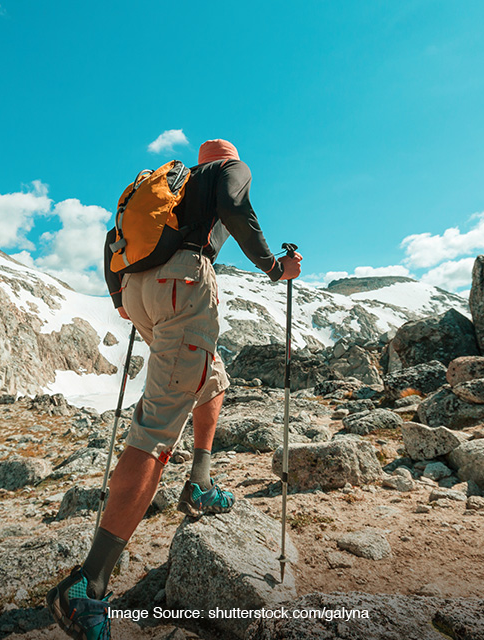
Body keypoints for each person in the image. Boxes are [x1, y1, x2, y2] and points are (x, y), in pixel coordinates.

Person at [47, 139, 302, 640]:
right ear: (224, 157)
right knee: (157, 429)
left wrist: (121, 294)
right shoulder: (227, 171)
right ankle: (86, 586)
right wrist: (274, 267)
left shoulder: (165, 187)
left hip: (143, 289)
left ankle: (200, 483)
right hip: (184, 284)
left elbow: (109, 238)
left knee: (211, 380)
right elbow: (235, 205)